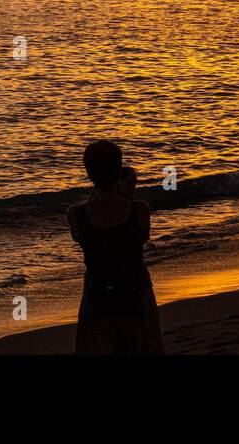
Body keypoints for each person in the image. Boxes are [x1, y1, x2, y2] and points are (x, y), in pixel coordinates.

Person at [68, 141, 164, 354]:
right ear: (119, 170)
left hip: (97, 295)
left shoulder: (76, 214)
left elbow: (81, 234)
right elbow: (141, 236)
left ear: (89, 173)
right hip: (136, 293)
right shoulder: (140, 209)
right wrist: (124, 195)